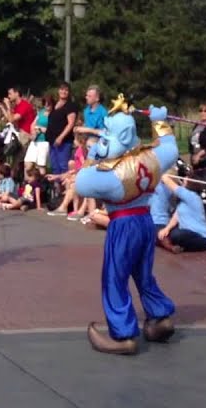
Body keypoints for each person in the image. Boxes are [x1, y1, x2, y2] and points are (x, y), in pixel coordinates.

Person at [74, 101, 178, 355]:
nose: (102, 138)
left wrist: (94, 152)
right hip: (146, 221)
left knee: (114, 278)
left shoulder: (111, 176)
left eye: (107, 133)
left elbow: (81, 182)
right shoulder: (152, 158)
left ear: (121, 136)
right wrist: (160, 121)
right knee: (143, 274)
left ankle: (123, 336)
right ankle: (161, 317)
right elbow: (171, 148)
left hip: (123, 224)